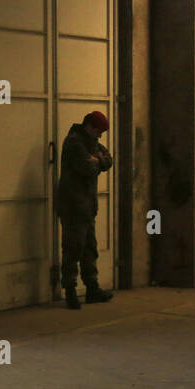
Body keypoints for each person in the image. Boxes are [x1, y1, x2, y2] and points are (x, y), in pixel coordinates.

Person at [56, 111, 113, 310]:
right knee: (73, 248)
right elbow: (86, 167)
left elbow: (108, 159)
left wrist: (98, 160)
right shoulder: (74, 143)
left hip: (87, 206)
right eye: (99, 131)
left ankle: (92, 288)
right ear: (90, 127)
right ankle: (70, 291)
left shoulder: (91, 143)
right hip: (72, 206)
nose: (101, 136)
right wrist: (97, 161)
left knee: (89, 247)